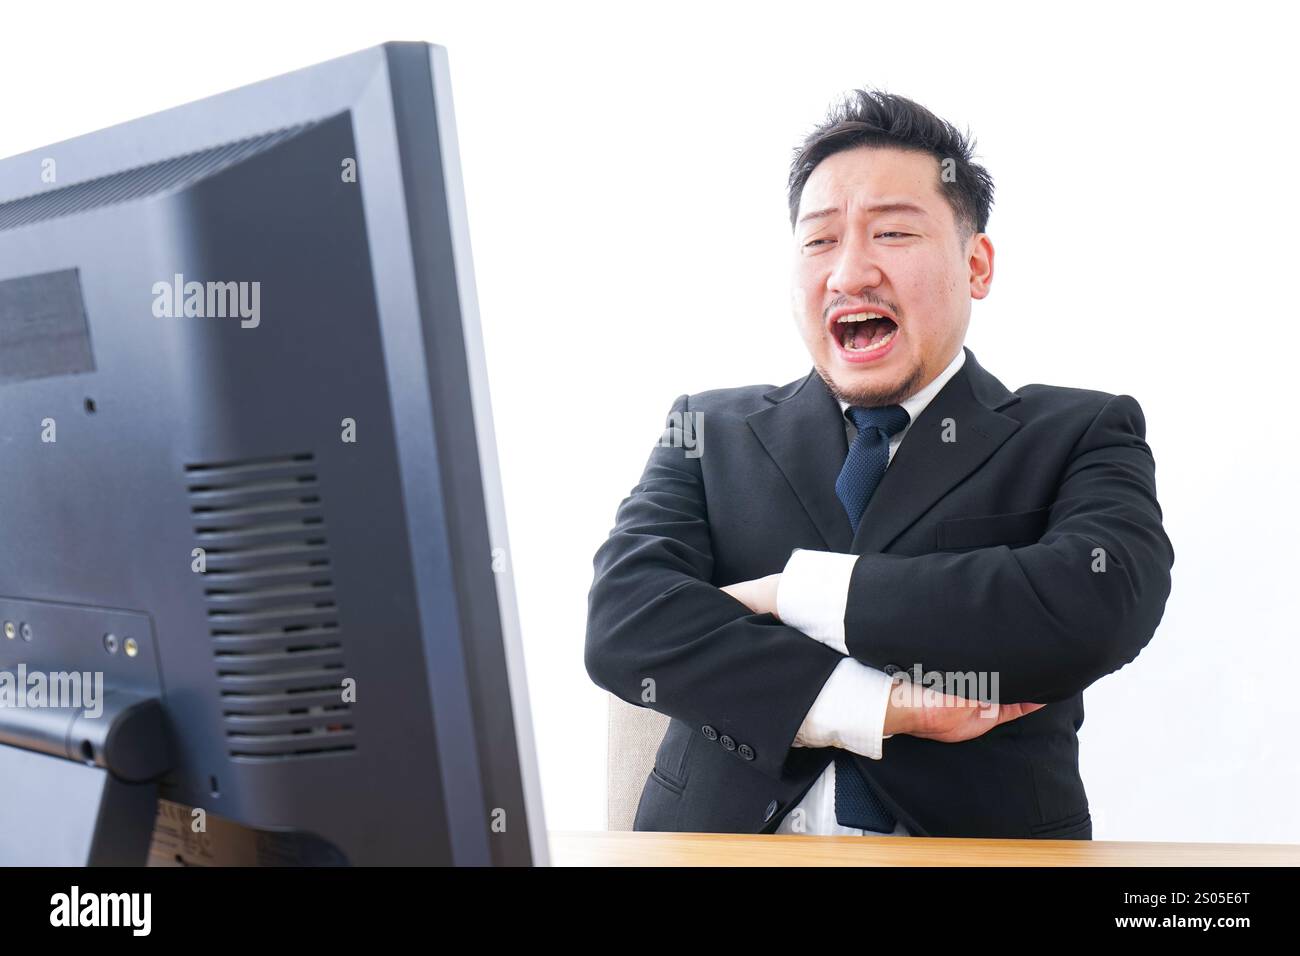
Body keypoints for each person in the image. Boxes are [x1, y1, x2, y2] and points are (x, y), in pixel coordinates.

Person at [584, 89, 1174, 838]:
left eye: (892, 232)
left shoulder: (1079, 429)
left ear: (977, 263)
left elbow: (1098, 604)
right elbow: (625, 623)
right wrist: (871, 707)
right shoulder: (706, 429)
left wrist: (789, 590)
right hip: (719, 851)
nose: (850, 273)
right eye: (819, 241)